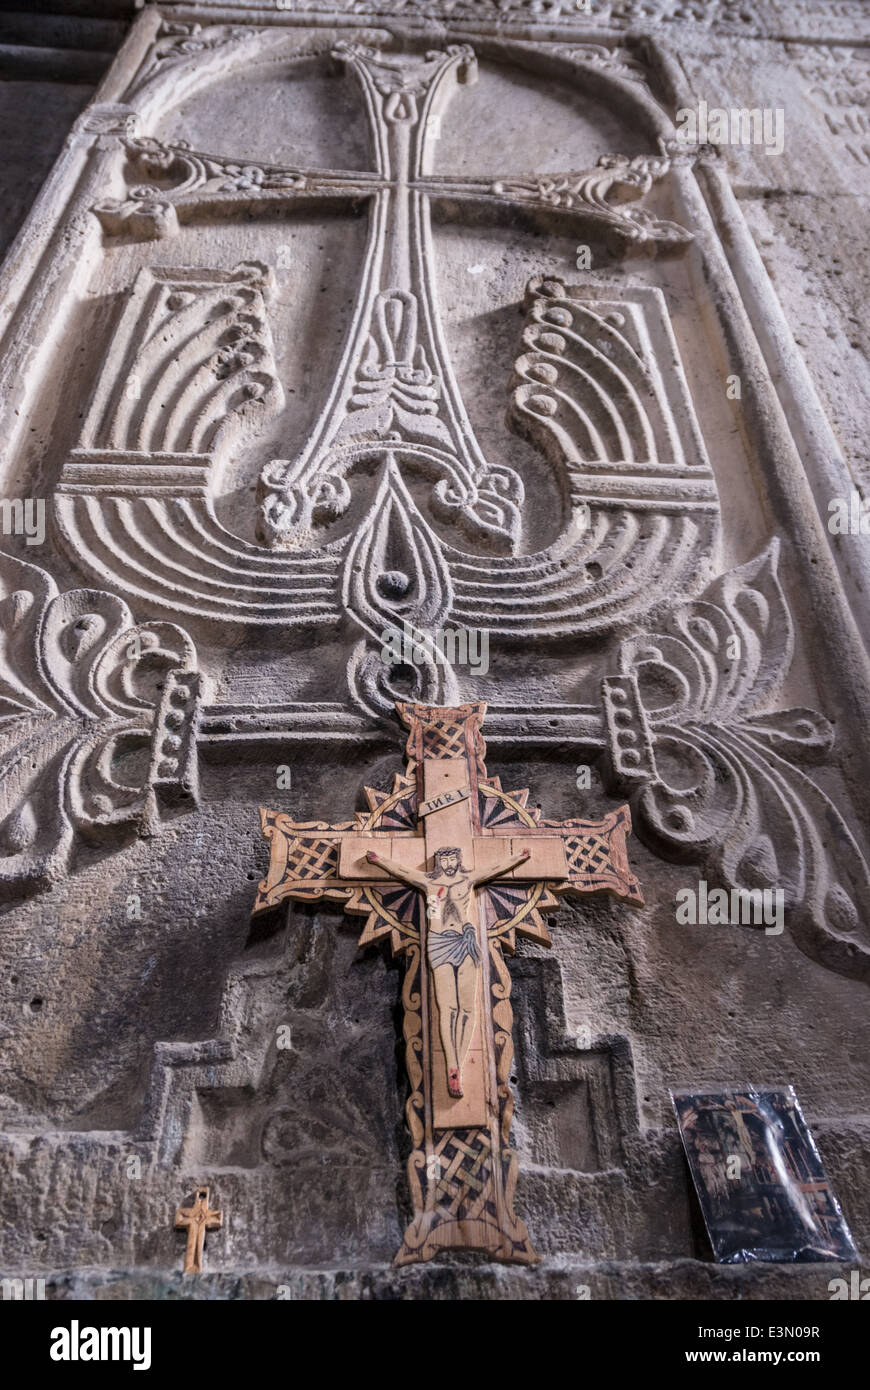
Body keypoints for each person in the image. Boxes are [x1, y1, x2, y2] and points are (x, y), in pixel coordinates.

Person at [366, 844, 530, 1097]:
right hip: (439, 941)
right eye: (446, 860)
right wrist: (379, 860)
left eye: (454, 859)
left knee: (467, 1007)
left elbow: (495, 868)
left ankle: (458, 1067)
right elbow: (402, 871)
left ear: (459, 860)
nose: (450, 864)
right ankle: (451, 1063)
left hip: (465, 940)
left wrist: (518, 857)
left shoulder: (468, 879)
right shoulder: (427, 883)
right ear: (439, 863)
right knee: (448, 1007)